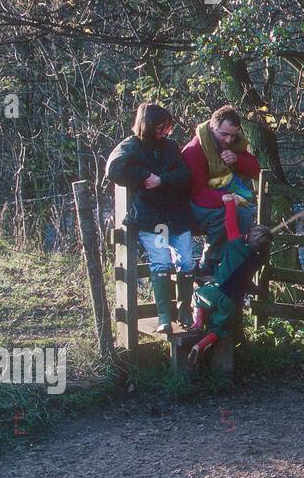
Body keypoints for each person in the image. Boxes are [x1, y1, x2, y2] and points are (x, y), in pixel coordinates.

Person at [106, 104, 195, 334]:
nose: (165, 131)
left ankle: (185, 313)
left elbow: (185, 175)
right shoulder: (131, 146)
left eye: (167, 127)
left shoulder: (171, 147)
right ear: (148, 125)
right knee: (161, 262)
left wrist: (162, 180)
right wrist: (144, 176)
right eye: (161, 127)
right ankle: (164, 317)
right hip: (154, 220)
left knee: (186, 261)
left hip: (177, 217)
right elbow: (114, 169)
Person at [188, 194, 272, 367]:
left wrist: (230, 204)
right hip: (231, 302)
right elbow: (248, 283)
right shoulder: (257, 261)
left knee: (197, 295)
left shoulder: (235, 243)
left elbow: (230, 224)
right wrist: (259, 290)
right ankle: (200, 345)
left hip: (215, 291)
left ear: (247, 236)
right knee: (219, 329)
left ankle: (197, 323)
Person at [181, 105, 261, 274]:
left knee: (245, 213)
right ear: (212, 127)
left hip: (220, 197)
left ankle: (236, 265)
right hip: (193, 205)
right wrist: (226, 198)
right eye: (224, 134)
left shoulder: (234, 145)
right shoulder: (194, 150)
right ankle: (209, 263)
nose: (229, 140)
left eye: (233, 135)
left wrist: (237, 159)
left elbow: (255, 169)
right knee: (225, 213)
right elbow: (197, 193)